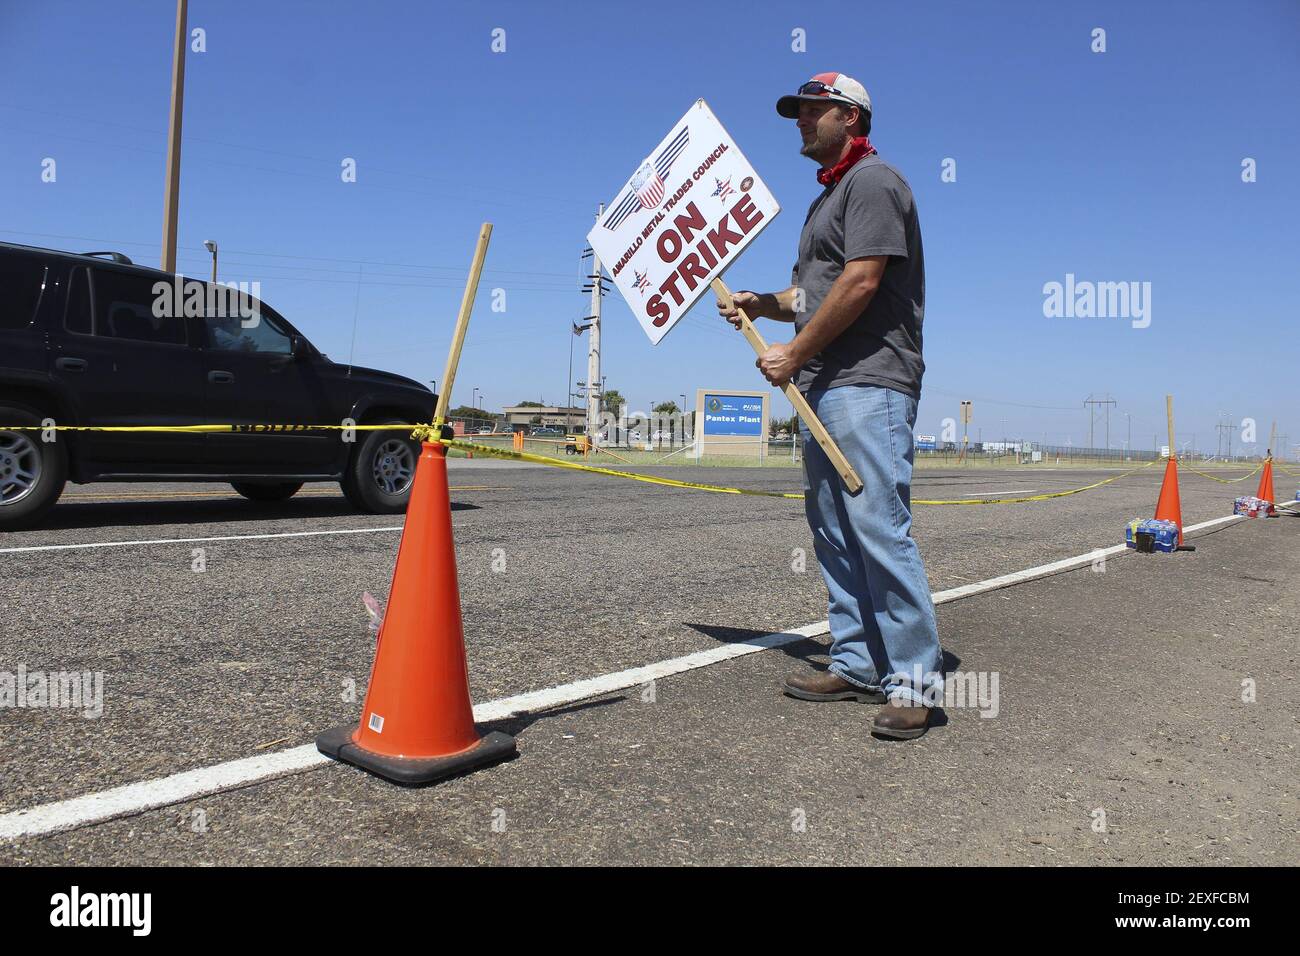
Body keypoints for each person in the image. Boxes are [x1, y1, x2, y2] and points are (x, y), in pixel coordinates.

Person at [717, 72, 943, 739]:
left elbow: (862, 280)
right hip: (824, 386)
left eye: (812, 111)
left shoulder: (874, 182)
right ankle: (856, 663)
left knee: (877, 529)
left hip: (869, 382)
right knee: (836, 533)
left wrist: (792, 352)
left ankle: (913, 684)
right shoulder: (829, 199)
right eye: (798, 111)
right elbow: (808, 293)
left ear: (850, 117)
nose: (800, 120)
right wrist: (762, 303)